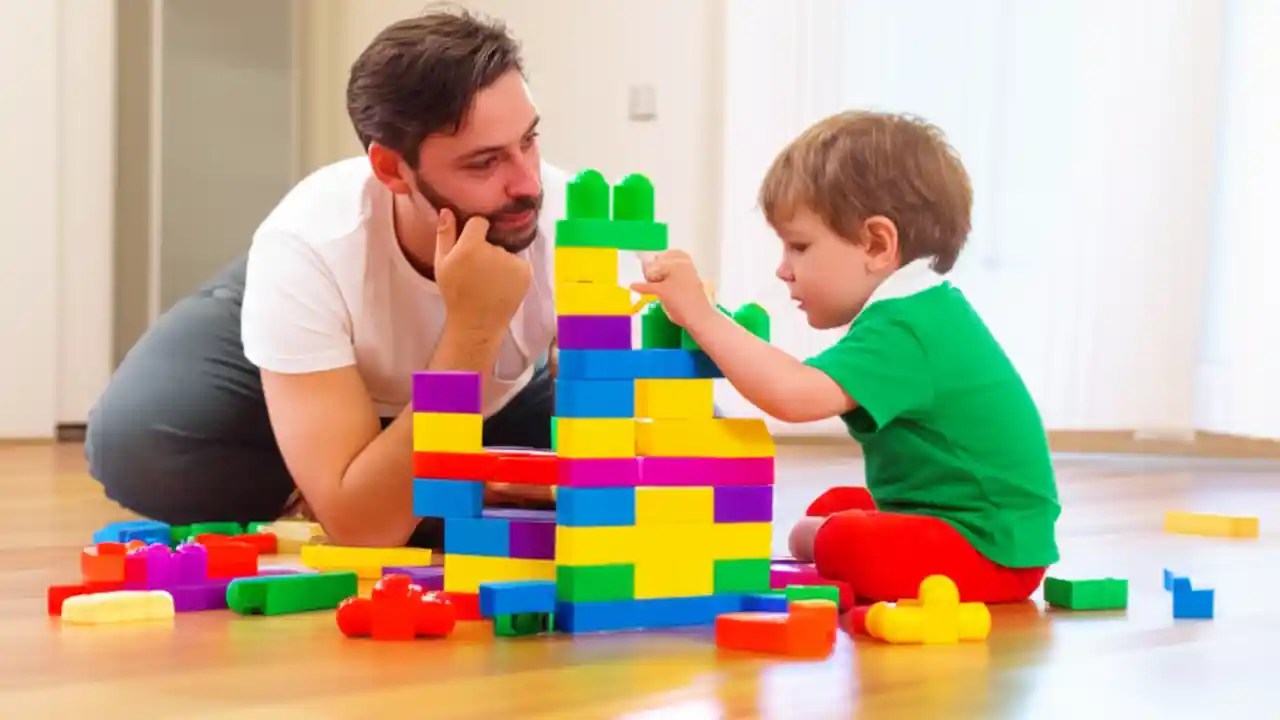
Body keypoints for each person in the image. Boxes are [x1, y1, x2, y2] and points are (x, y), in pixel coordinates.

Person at [84, 8, 572, 547]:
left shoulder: (573, 227)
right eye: (483, 164)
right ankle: (358, 478)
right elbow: (365, 532)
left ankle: (387, 484)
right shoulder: (309, 244)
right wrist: (473, 331)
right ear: (390, 168)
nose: (527, 184)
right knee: (138, 443)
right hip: (308, 343)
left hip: (488, 401)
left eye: (528, 141)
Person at [632, 110, 1061, 604]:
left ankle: (840, 545)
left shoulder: (909, 325)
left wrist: (703, 319)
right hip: (964, 527)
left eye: (799, 246)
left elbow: (793, 395)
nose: (783, 270)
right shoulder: (916, 309)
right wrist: (705, 319)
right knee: (834, 508)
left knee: (837, 537)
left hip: (991, 549)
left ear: (877, 244)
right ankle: (837, 541)